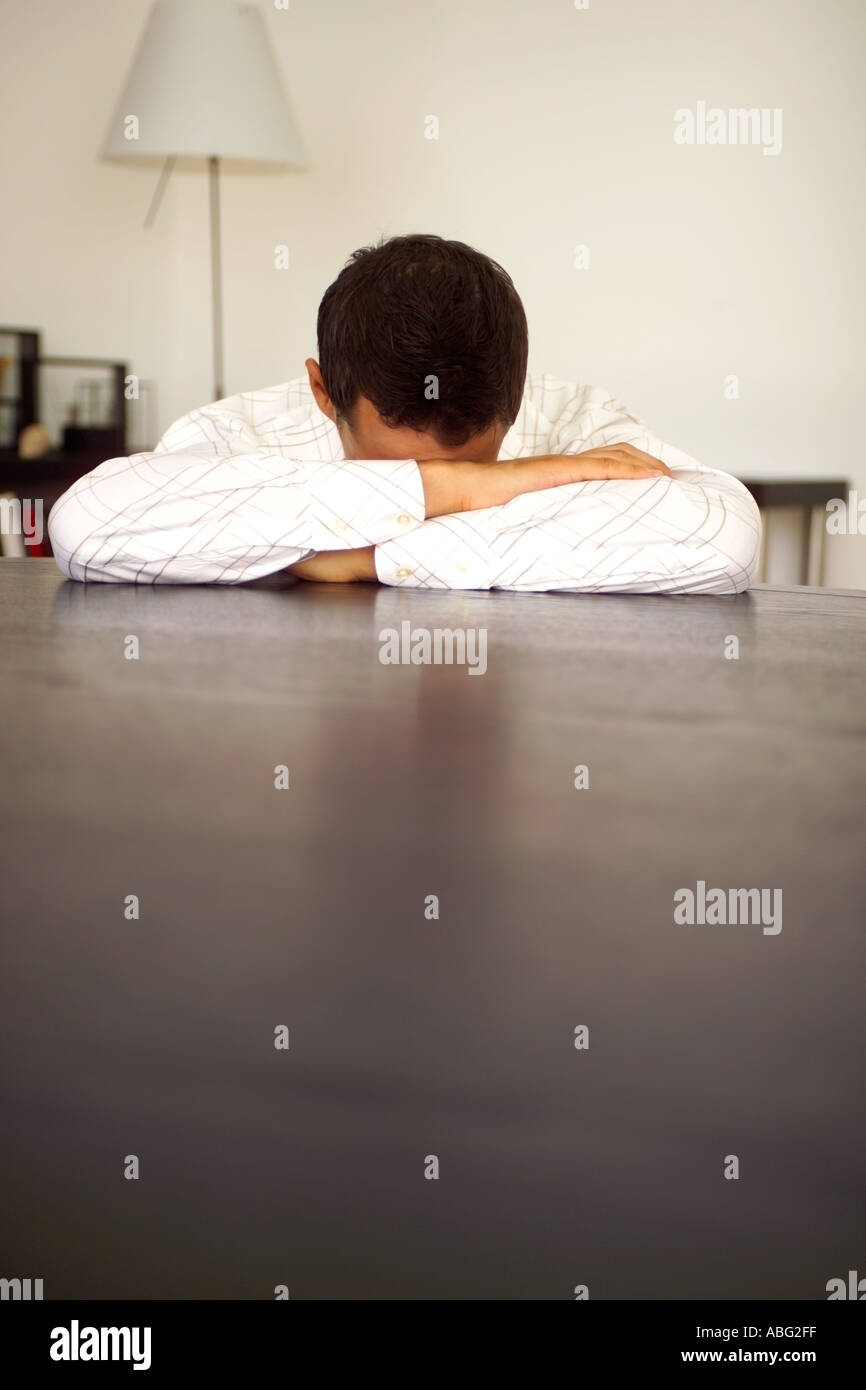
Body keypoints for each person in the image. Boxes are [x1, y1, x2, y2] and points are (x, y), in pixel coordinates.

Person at [48, 234, 761, 592]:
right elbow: (88, 523)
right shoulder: (245, 430)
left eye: (471, 467)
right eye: (408, 466)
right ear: (323, 392)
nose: (444, 482)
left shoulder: (570, 418)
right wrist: (469, 489)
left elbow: (720, 535)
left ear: (517, 397)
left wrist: (357, 556)